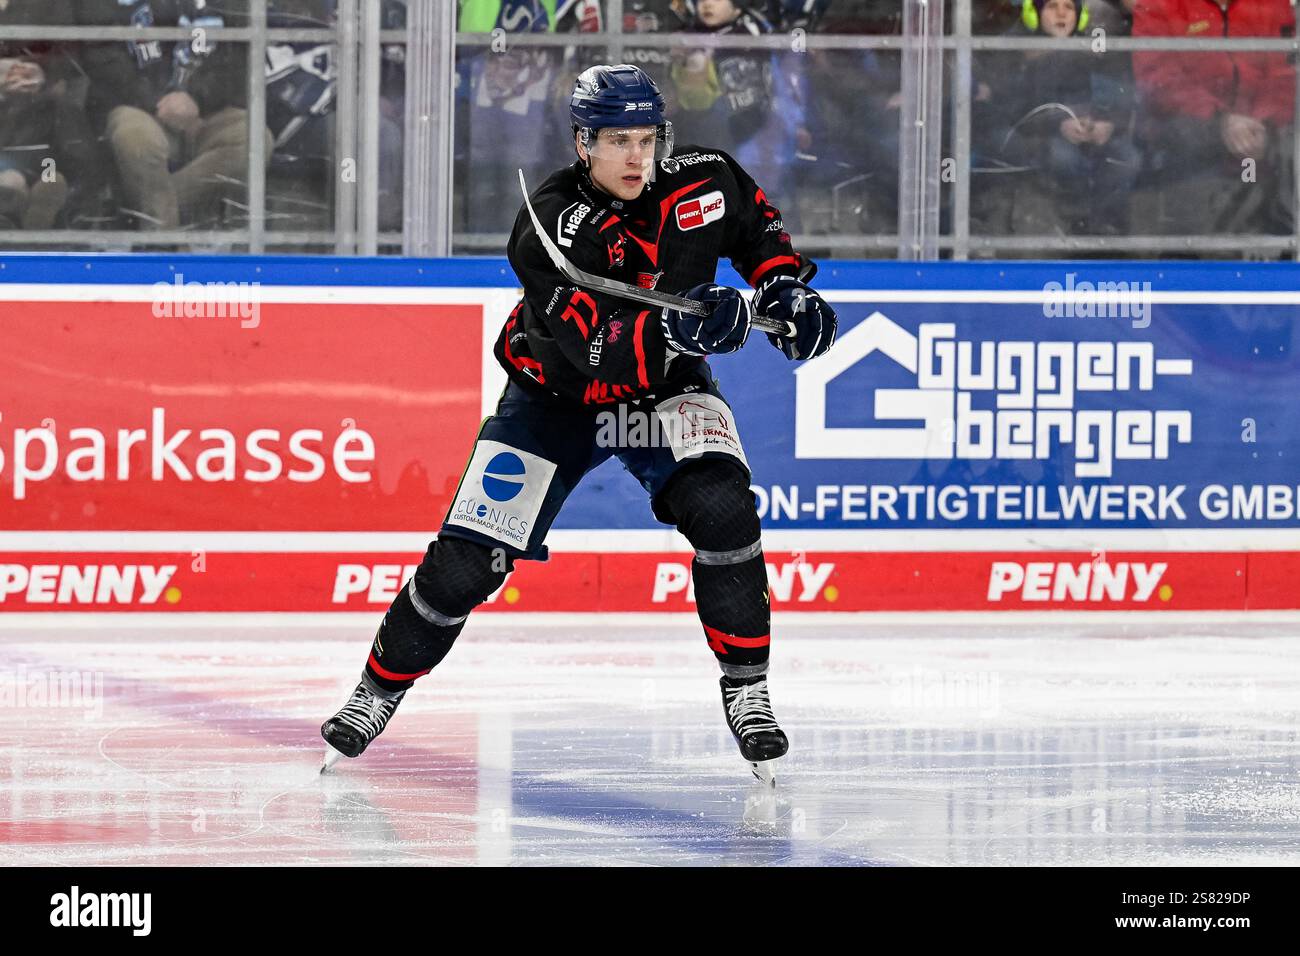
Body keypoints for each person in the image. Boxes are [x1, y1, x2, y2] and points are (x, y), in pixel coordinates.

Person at [321, 63, 838, 784]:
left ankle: (748, 691)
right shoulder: (550, 228)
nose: (635, 155)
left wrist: (785, 288)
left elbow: (758, 234)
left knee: (723, 509)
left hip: (664, 395)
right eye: (616, 139)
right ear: (582, 142)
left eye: (646, 138)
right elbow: (597, 348)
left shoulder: (706, 178)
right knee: (467, 563)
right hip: (555, 400)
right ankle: (375, 691)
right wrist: (693, 332)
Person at [1132, 0, 1296, 235]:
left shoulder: (1271, 4)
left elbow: (1286, 72)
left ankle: (1279, 249)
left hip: (1264, 132)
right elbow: (1159, 78)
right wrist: (1221, 120)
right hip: (1193, 130)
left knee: (1289, 152)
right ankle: (1190, 253)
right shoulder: (1159, 5)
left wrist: (1263, 120)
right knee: (1186, 142)